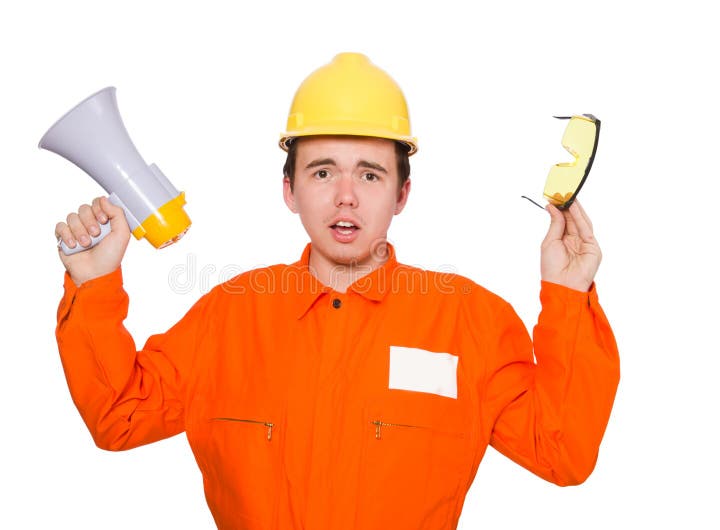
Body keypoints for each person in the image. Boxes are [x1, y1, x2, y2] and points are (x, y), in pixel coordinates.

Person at [54, 52, 619, 529]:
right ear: (289, 190)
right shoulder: (229, 318)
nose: (346, 196)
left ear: (402, 194)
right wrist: (94, 284)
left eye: (370, 174)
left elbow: (561, 452)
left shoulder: (469, 322)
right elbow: (119, 416)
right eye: (322, 172)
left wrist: (567, 296)